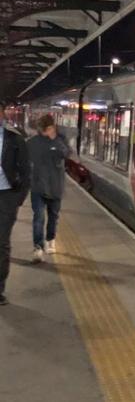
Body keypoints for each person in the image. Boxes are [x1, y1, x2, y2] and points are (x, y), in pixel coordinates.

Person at [27, 114, 70, 264]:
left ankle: (50, 239)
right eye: (46, 129)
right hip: (38, 187)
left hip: (55, 186)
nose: (49, 131)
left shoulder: (61, 140)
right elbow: (24, 160)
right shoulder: (32, 142)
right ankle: (38, 247)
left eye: (51, 128)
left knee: (53, 216)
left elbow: (66, 154)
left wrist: (55, 140)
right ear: (41, 129)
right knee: (38, 218)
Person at [0, 102, 30, 305]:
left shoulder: (15, 138)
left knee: (2, 243)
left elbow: (26, 171)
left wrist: (18, 198)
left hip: (7, 196)